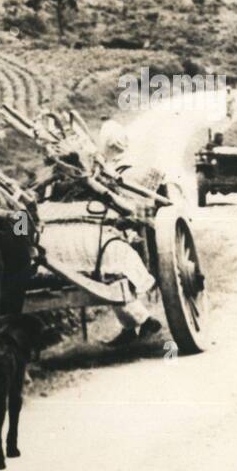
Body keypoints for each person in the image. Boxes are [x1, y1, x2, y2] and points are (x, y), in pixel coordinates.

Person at [95, 119, 163, 346]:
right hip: (110, 227)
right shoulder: (103, 168)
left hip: (125, 230)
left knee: (110, 261)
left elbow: (135, 210)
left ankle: (143, 322)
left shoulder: (127, 171)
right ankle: (132, 327)